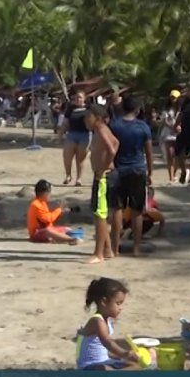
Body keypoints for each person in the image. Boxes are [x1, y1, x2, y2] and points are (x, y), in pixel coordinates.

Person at [108, 96, 154, 257]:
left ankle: (114, 248)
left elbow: (109, 148)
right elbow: (148, 152)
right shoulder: (143, 127)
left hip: (118, 169)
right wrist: (150, 171)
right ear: (137, 110)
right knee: (137, 210)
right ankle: (136, 248)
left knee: (116, 209)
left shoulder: (114, 125)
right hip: (137, 169)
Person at [76, 277, 140, 370]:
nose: (121, 308)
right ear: (104, 302)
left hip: (104, 361)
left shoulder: (108, 321)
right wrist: (125, 353)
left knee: (135, 365)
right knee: (103, 368)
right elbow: (108, 343)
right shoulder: (97, 321)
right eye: (118, 303)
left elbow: (103, 350)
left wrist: (120, 357)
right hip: (89, 366)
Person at [85, 105, 119, 264]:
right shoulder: (101, 130)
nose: (86, 121)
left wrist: (105, 166)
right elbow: (116, 142)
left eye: (88, 117)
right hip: (104, 175)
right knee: (101, 214)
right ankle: (107, 250)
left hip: (104, 176)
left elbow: (112, 149)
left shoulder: (101, 130)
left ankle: (98, 253)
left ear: (97, 118)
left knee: (100, 215)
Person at [26, 180, 79, 245]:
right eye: (49, 192)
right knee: (48, 231)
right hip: (36, 234)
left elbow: (48, 218)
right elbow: (48, 219)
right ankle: (71, 240)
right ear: (44, 193)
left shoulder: (42, 203)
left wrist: (61, 211)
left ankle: (61, 238)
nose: (50, 195)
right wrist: (59, 210)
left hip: (47, 229)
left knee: (68, 229)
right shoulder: (36, 205)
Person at [59, 91, 90, 186]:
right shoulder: (70, 108)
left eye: (80, 97)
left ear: (84, 98)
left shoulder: (88, 108)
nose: (78, 99)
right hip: (72, 134)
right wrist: (61, 133)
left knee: (80, 159)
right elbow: (66, 122)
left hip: (84, 135)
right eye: (76, 97)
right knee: (67, 156)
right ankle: (68, 175)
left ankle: (79, 178)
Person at [159, 91, 180, 182]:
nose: (173, 99)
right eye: (172, 97)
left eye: (175, 97)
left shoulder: (181, 109)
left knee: (178, 156)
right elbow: (164, 121)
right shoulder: (166, 109)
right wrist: (173, 127)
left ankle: (175, 173)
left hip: (179, 134)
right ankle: (171, 177)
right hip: (168, 133)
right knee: (170, 155)